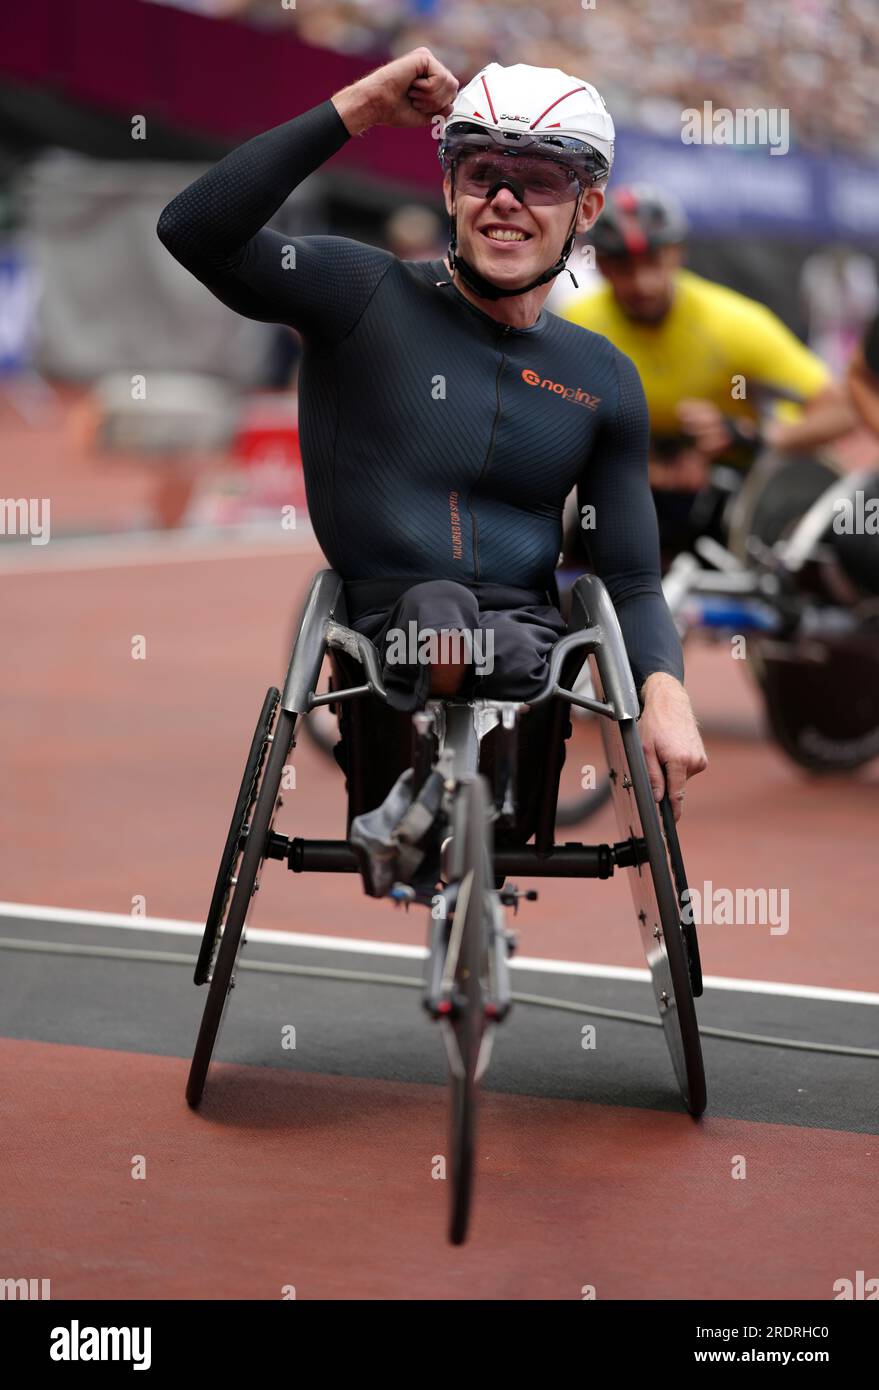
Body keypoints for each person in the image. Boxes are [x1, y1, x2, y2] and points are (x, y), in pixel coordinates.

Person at [156, 49, 706, 820]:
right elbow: (193, 228)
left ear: (585, 210)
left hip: (527, 649)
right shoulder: (363, 293)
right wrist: (357, 109)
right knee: (442, 614)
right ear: (449, 186)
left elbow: (633, 582)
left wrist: (664, 692)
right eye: (483, 174)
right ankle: (419, 801)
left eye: (540, 181)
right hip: (390, 633)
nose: (506, 200)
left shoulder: (602, 375)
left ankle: (477, 809)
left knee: (528, 645)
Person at [563, 185, 856, 556]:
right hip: (625, 485)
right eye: (622, 265)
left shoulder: (733, 323)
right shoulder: (580, 324)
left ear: (677, 255)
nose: (641, 282)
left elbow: (842, 410)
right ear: (600, 264)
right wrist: (646, 462)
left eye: (654, 260)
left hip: (729, 493)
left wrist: (758, 436)